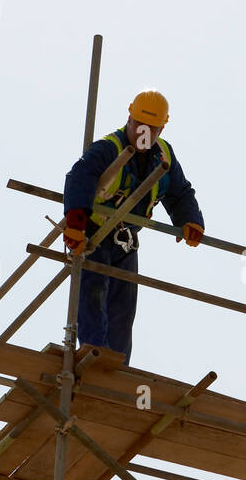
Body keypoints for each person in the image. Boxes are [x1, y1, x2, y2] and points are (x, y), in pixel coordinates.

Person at [62, 90, 204, 361]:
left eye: (150, 129)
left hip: (124, 239)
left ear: (162, 128)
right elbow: (80, 176)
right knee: (94, 293)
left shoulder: (164, 155)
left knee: (123, 306)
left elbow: (180, 192)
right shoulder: (108, 148)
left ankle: (115, 362)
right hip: (93, 233)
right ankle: (93, 352)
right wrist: (76, 222)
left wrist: (191, 220)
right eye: (138, 125)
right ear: (129, 118)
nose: (143, 133)